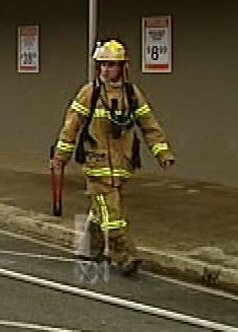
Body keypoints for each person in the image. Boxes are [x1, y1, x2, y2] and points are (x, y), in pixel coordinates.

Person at [50, 39, 175, 276]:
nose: (106, 70)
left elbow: (149, 125)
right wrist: (60, 156)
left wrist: (163, 153)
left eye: (111, 65)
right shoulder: (89, 93)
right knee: (113, 216)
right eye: (102, 65)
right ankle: (125, 256)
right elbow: (71, 126)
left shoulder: (132, 94)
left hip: (122, 165)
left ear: (122, 67)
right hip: (96, 166)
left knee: (102, 209)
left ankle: (89, 249)